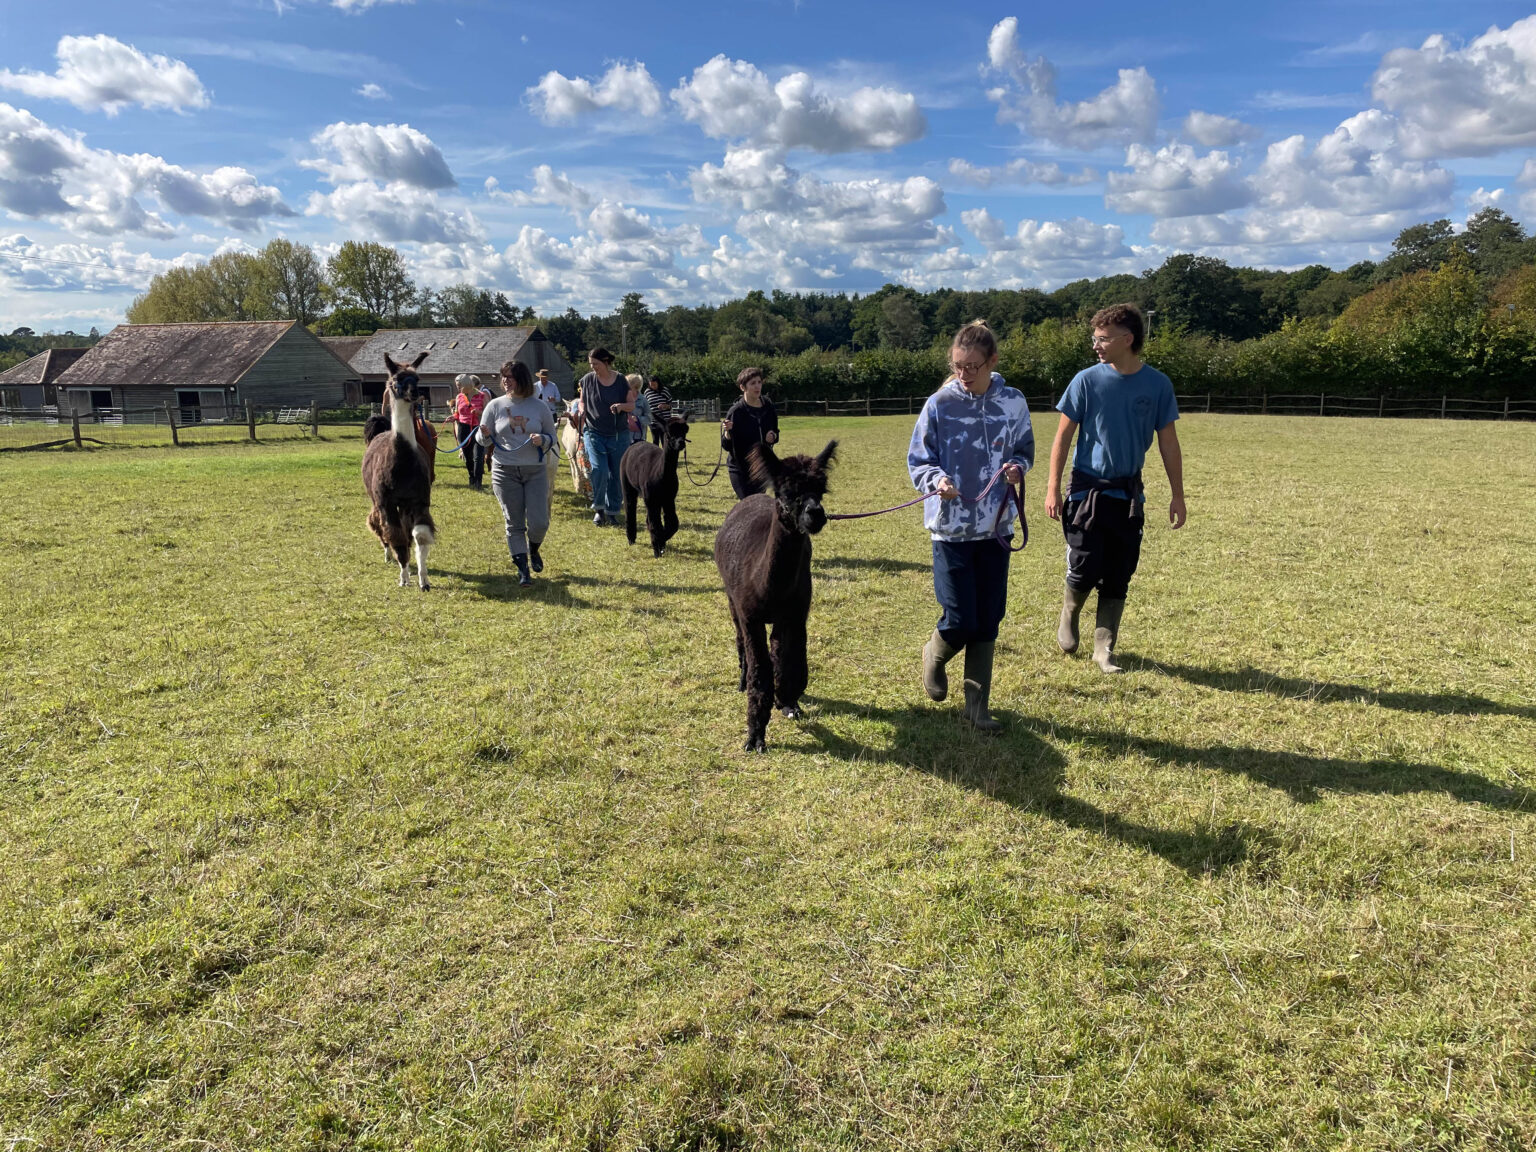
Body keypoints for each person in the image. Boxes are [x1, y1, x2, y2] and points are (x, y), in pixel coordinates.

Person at [1043, 303, 1186, 674]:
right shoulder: (1086, 381)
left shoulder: (1157, 385)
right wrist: (1052, 488)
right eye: (1095, 338)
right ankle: (1070, 611)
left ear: (1128, 339)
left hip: (1128, 494)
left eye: (1103, 339)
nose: (1096, 345)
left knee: (1120, 570)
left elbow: (1169, 443)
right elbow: (1062, 437)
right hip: (1086, 491)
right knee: (1086, 565)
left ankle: (1103, 649)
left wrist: (1178, 494)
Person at [907, 320, 1034, 731]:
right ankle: (935, 653)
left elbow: (1023, 448)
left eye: (973, 366)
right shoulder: (939, 405)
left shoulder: (1013, 402)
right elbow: (920, 460)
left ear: (992, 362)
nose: (964, 374)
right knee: (960, 616)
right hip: (952, 530)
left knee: (989, 617)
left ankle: (977, 707)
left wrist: (1018, 467)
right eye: (958, 365)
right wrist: (936, 480)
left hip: (997, 528)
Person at [479, 361, 558, 587]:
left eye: (510, 377)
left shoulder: (539, 407)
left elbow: (552, 438)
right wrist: (484, 434)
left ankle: (533, 548)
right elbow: (482, 440)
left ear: (521, 380)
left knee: (540, 522)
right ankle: (523, 570)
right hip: (505, 471)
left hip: (535, 471)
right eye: (503, 377)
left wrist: (542, 440)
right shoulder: (494, 406)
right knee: (514, 523)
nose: (505, 381)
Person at [578, 347, 635, 525]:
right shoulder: (587, 380)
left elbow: (631, 404)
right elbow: (582, 401)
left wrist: (620, 406)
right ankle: (599, 509)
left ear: (606, 362)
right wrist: (581, 411)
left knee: (616, 474)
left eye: (596, 364)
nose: (593, 367)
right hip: (594, 432)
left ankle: (612, 511)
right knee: (599, 470)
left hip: (619, 435)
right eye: (591, 364)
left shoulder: (620, 381)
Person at [721, 366, 780, 499]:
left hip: (761, 466)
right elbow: (726, 446)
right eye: (752, 383)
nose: (757, 386)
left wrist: (773, 436)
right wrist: (727, 432)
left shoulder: (768, 407)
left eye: (759, 382)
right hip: (740, 469)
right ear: (743, 387)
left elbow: (775, 432)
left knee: (758, 502)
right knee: (748, 502)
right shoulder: (736, 412)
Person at [448, 373, 488, 488]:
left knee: (478, 456)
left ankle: (478, 482)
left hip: (477, 428)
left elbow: (488, 412)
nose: (458, 388)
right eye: (457, 385)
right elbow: (457, 413)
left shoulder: (481, 395)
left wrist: (479, 413)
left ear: (466, 384)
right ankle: (471, 477)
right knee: (467, 455)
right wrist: (454, 417)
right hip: (463, 428)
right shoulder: (459, 397)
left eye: (459, 385)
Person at [535, 369, 563, 514]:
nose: (544, 380)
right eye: (542, 378)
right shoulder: (535, 387)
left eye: (545, 378)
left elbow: (558, 398)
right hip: (537, 414)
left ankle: (554, 450)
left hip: (550, 413)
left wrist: (553, 399)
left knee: (552, 435)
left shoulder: (553, 386)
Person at [644, 375, 674, 444]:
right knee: (655, 441)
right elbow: (645, 405)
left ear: (658, 383)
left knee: (665, 441)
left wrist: (666, 406)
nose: (653, 386)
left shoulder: (664, 390)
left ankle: (666, 454)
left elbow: (672, 404)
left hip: (665, 421)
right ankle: (656, 454)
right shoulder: (647, 392)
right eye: (651, 385)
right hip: (653, 422)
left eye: (654, 384)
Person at [626, 373, 651, 444]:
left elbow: (649, 419)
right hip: (624, 437)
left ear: (634, 386)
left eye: (627, 384)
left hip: (639, 438)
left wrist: (638, 419)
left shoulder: (643, 400)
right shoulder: (622, 398)